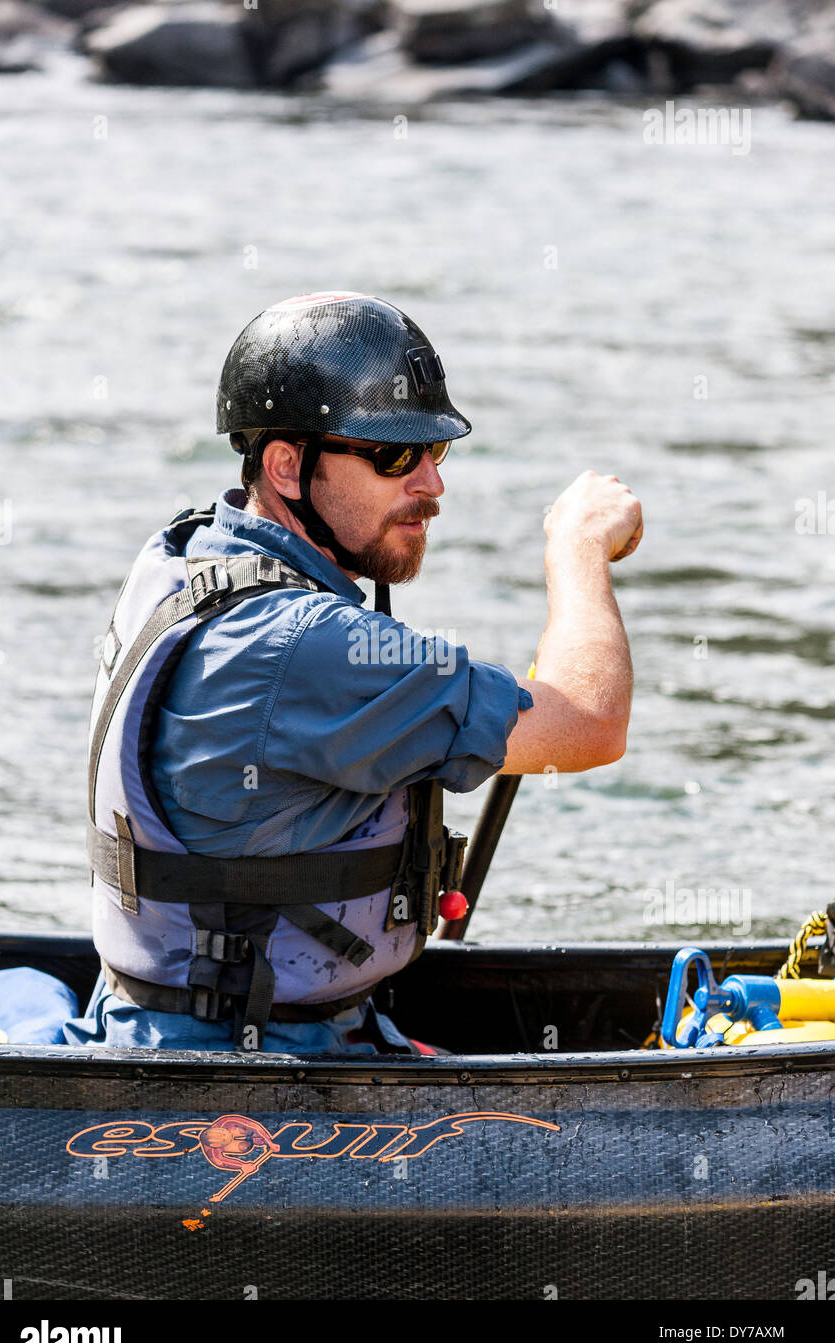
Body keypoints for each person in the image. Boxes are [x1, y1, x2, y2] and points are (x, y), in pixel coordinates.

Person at [65, 290, 642, 1055]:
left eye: (435, 452)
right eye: (392, 456)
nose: (431, 485)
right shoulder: (301, 646)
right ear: (285, 465)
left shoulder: (187, 555)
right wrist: (576, 552)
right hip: (249, 1064)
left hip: (208, 1018)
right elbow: (588, 723)